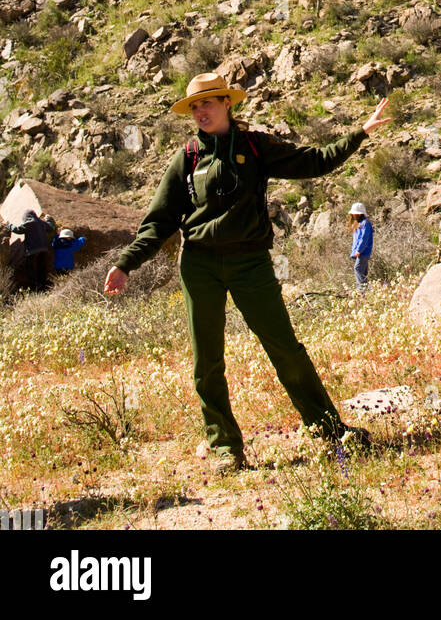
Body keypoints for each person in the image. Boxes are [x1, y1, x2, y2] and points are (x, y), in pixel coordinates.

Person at [103, 73, 391, 473]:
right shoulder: (186, 157)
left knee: (285, 347)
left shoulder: (257, 145)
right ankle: (225, 448)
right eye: (194, 107)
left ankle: (329, 431)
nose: (200, 111)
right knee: (207, 361)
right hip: (199, 265)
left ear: (227, 103)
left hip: (251, 263)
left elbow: (313, 161)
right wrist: (125, 264)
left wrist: (358, 134)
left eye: (207, 103)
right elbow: (159, 221)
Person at [10, 211, 55, 292]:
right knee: (41, 268)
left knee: (30, 268)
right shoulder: (41, 223)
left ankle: (34, 286)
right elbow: (51, 227)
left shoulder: (29, 223)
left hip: (32, 251)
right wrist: (49, 219)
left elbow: (17, 230)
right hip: (44, 249)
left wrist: (9, 225)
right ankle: (43, 285)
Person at [348, 202, 373, 292]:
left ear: (359, 214)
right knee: (363, 272)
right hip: (362, 252)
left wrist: (358, 250)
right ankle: (366, 289)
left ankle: (362, 290)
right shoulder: (361, 223)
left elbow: (363, 238)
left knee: (357, 268)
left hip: (363, 252)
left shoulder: (365, 224)